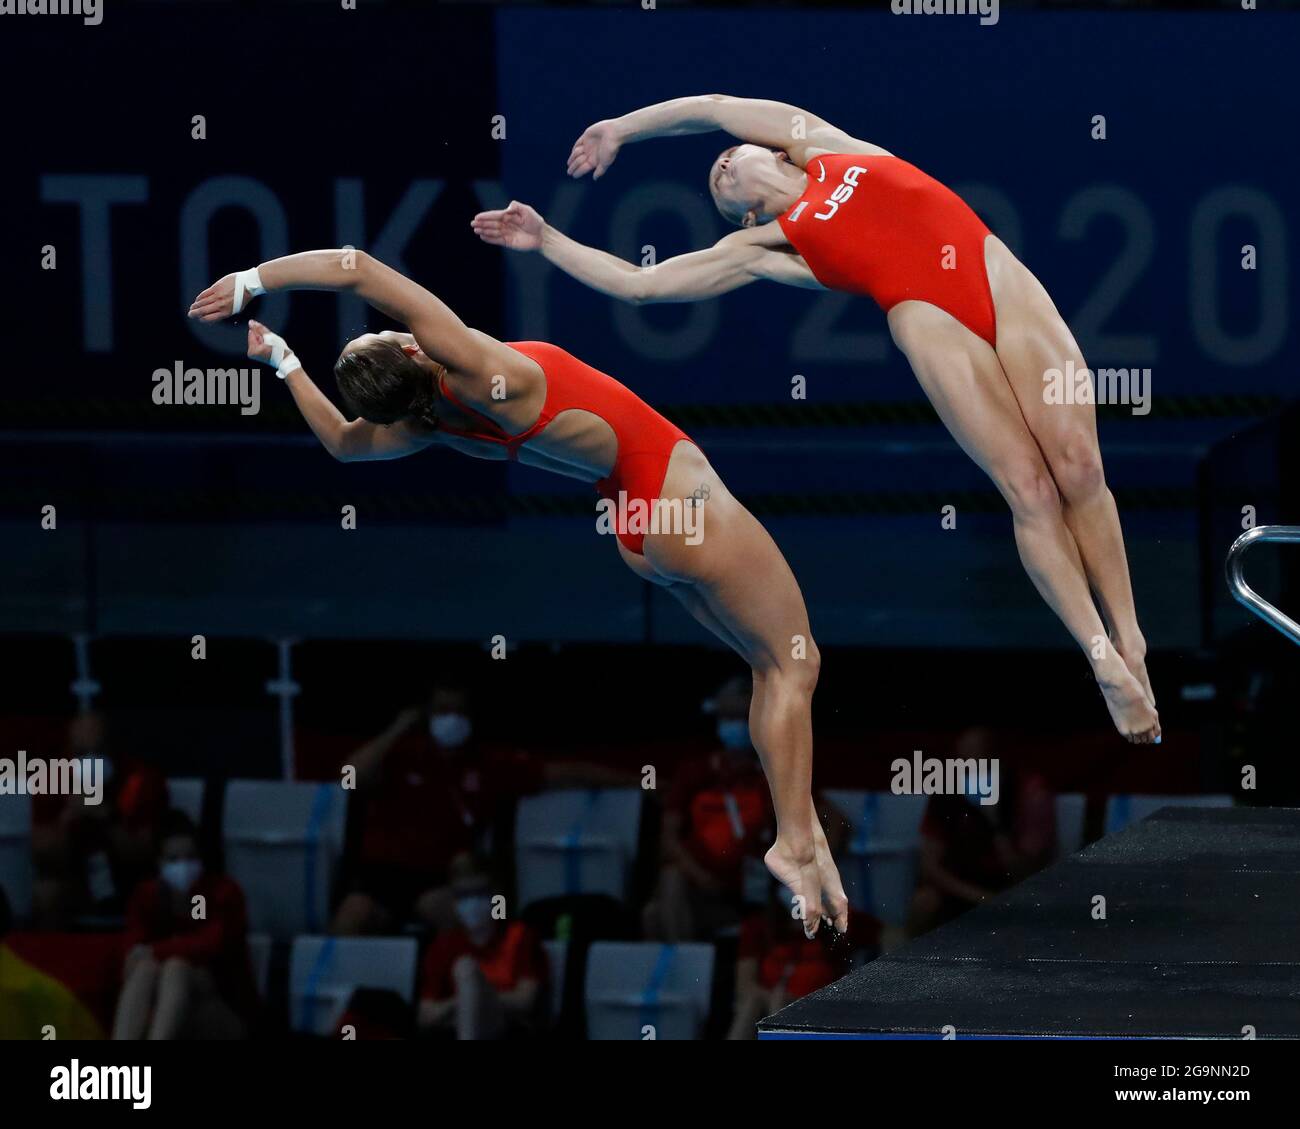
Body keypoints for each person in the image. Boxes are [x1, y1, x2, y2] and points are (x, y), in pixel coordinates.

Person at [188, 248, 847, 935]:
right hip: (677, 497)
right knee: (794, 663)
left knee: (770, 667)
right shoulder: (472, 364)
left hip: (638, 532)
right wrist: (253, 280)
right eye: (384, 333)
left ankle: (800, 836)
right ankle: (795, 837)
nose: (396, 329)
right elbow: (357, 268)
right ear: (408, 350)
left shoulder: (427, 423)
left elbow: (345, 446)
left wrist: (285, 362)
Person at [471, 93, 1160, 745]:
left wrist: (622, 127)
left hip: (993, 273)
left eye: (727, 156)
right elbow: (642, 285)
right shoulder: (761, 248)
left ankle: (1130, 637)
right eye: (716, 183)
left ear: (768, 150)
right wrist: (548, 239)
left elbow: (711, 108)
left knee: (1078, 466)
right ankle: (1099, 656)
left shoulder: (823, 142)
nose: (721, 163)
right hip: (926, 316)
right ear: (739, 216)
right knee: (1030, 489)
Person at [644, 676, 775, 941]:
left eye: (740, 718)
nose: (733, 727)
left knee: (659, 910)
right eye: (727, 719)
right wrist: (701, 877)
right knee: (656, 906)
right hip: (699, 887)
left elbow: (826, 822)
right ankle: (688, 973)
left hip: (754, 892)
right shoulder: (695, 771)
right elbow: (669, 839)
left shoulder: (774, 775)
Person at [112, 810, 257, 1039]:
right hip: (166, 1005)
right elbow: (133, 953)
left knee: (176, 967)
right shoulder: (147, 896)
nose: (183, 866)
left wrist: (155, 950)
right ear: (159, 863)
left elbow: (208, 944)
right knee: (145, 969)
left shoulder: (221, 893)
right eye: (173, 859)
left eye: (190, 857)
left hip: (221, 1010)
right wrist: (145, 955)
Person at [416, 856, 548, 1040]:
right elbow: (425, 1014)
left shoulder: (520, 936)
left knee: (466, 969)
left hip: (507, 1026)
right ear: (454, 902)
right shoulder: (443, 945)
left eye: (479, 893)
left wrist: (473, 997)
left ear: (496, 896)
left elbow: (525, 1000)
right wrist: (464, 1002)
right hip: (454, 1024)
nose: (472, 903)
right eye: (463, 895)